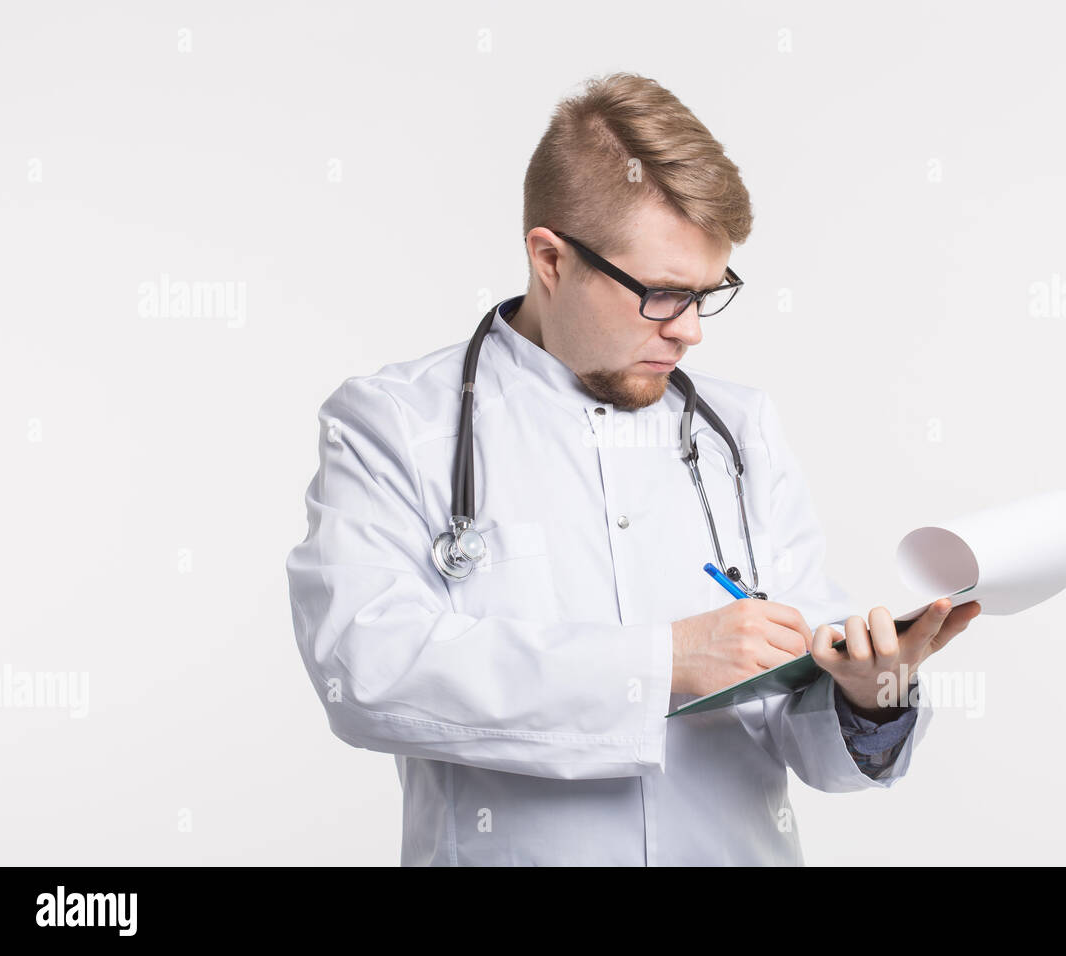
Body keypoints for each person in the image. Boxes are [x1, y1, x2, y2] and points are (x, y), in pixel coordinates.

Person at [284, 72, 981, 866]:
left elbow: (802, 732)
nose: (690, 333)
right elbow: (367, 674)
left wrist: (868, 694)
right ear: (549, 258)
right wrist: (665, 662)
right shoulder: (395, 423)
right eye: (660, 294)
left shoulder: (740, 432)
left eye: (706, 295)